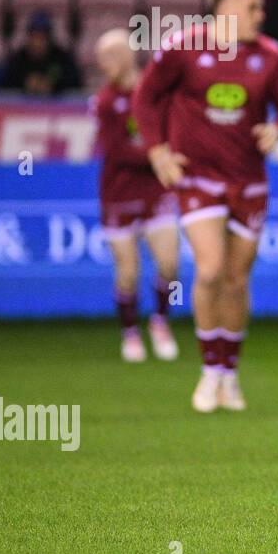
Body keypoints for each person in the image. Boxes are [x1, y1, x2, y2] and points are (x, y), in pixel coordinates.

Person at [133, 0, 278, 413]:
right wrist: (158, 152)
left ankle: (230, 372)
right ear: (225, 10)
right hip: (198, 179)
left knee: (236, 278)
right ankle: (210, 371)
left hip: (249, 182)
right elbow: (145, 98)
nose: (260, 15)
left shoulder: (269, 56)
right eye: (252, 8)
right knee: (209, 271)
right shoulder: (182, 49)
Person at [90, 28, 181, 364]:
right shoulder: (104, 102)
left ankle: (159, 322)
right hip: (119, 193)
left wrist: (168, 152)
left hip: (156, 190)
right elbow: (116, 150)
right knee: (128, 271)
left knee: (169, 264)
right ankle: (130, 333)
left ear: (129, 55)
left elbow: (172, 131)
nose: (105, 64)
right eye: (100, 59)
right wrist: (160, 155)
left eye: (111, 56)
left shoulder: (154, 93)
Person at [3, 11, 82, 95]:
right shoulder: (17, 60)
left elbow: (75, 88)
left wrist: (53, 87)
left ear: (50, 38)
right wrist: (24, 85)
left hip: (56, 107)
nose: (37, 43)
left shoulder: (63, 59)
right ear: (28, 37)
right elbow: (3, 90)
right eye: (34, 37)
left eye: (42, 38)